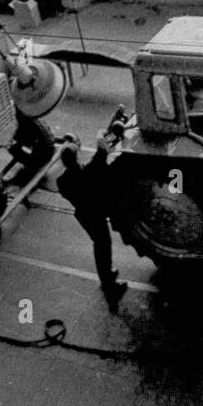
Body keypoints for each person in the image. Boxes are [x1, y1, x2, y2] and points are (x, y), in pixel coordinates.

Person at [56, 117, 128, 311]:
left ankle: (107, 276)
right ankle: (108, 284)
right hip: (96, 213)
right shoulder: (88, 171)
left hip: (84, 215)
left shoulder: (62, 182)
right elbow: (103, 150)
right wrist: (110, 132)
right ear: (77, 157)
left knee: (100, 244)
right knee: (103, 246)